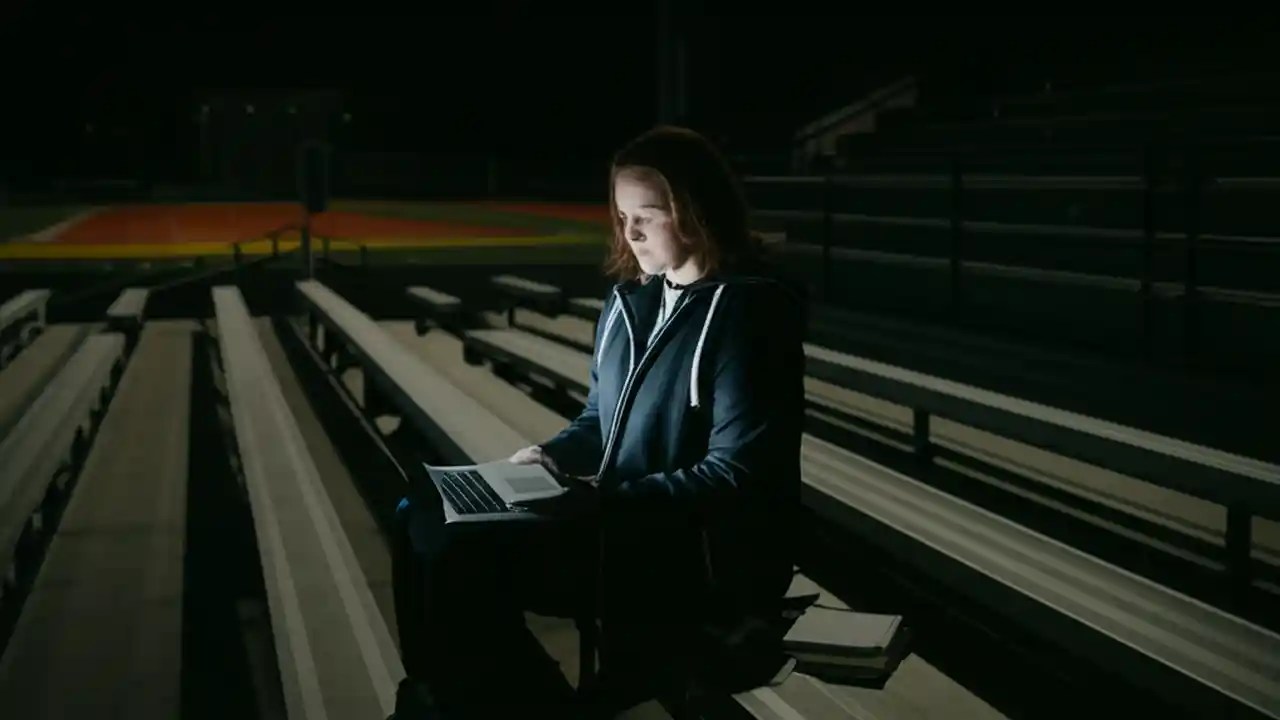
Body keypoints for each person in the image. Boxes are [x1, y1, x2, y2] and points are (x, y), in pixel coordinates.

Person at [390, 125, 807, 719]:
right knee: (417, 513)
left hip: (683, 550)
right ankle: (452, 697)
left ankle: (492, 704)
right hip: (614, 521)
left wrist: (603, 500)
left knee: (459, 557)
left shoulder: (750, 312)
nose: (629, 231)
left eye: (648, 214)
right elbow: (597, 421)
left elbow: (736, 472)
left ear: (695, 210)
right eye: (621, 214)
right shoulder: (629, 300)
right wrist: (551, 458)